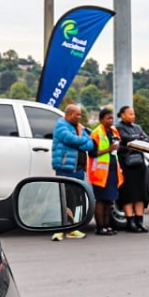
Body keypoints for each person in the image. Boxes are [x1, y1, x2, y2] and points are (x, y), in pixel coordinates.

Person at [50, 103, 95, 241]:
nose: (80, 117)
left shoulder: (79, 127)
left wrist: (81, 139)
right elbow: (71, 140)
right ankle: (60, 229)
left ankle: (73, 228)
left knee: (76, 198)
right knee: (64, 198)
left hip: (79, 169)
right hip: (65, 168)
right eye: (77, 114)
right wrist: (82, 138)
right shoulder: (61, 126)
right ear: (69, 114)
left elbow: (90, 144)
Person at [113, 105, 149, 232]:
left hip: (139, 164)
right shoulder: (118, 127)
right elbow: (124, 139)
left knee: (140, 194)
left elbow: (147, 138)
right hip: (126, 164)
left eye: (133, 114)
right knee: (128, 193)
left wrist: (136, 139)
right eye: (130, 114)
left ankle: (139, 221)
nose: (133, 116)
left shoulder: (137, 127)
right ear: (122, 115)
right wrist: (137, 139)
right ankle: (130, 221)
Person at [87, 107, 121, 236]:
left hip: (112, 170)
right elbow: (92, 153)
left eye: (112, 118)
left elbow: (117, 145)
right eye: (108, 118)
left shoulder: (113, 131)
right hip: (100, 172)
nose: (111, 120)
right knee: (101, 199)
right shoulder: (96, 133)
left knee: (109, 199)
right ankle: (100, 227)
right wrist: (109, 149)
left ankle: (107, 226)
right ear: (101, 120)